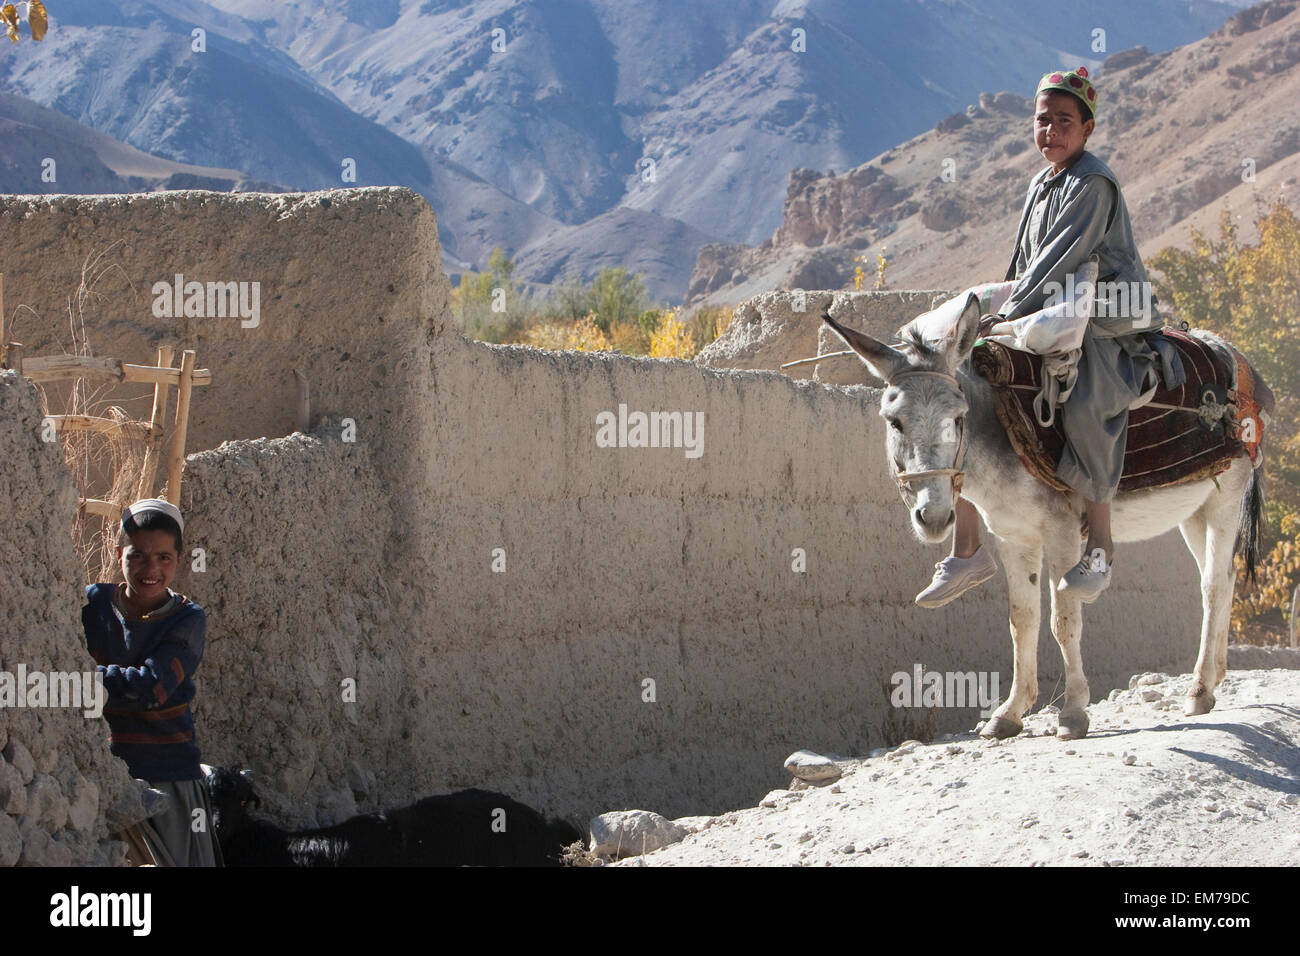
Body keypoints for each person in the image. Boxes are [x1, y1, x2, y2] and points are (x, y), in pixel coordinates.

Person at [916, 66, 1169, 608]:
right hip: (1054, 303)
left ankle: (1099, 546)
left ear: (1087, 129)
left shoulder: (1093, 183)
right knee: (968, 389)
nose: (1051, 131)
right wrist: (989, 318)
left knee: (1087, 398)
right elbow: (1023, 267)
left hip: (1106, 309)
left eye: (1064, 121)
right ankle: (966, 549)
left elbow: (1058, 263)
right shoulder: (1039, 184)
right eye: (1042, 120)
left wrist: (1010, 310)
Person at [82, 498, 221, 866]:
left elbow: (149, 689)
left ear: (179, 558)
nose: (151, 569)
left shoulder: (188, 620)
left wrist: (72, 679)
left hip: (166, 780)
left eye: (164, 558)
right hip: (100, 778)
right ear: (118, 553)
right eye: (138, 556)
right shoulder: (93, 604)